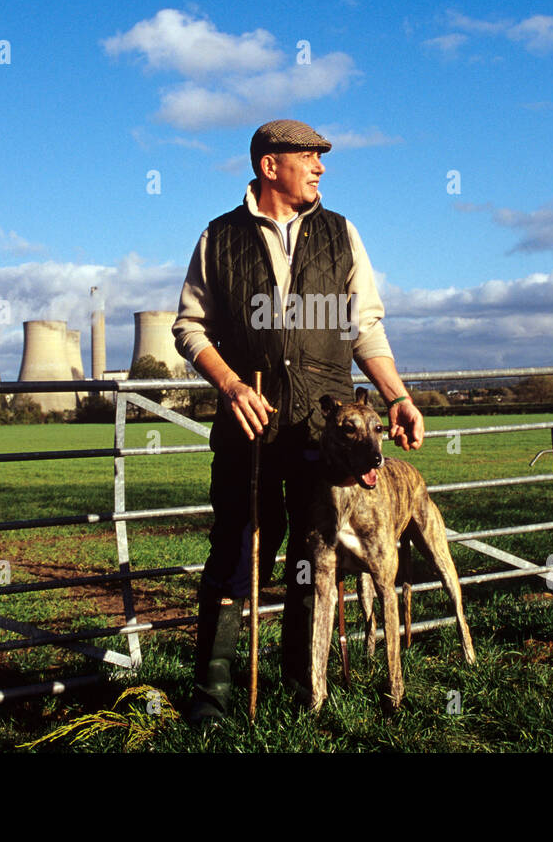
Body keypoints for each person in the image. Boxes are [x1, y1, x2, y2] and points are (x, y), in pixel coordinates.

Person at [172, 118, 425, 725]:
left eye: (320, 158)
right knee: (240, 550)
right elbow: (189, 328)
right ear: (269, 165)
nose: (320, 167)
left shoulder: (341, 234)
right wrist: (230, 383)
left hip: (325, 433)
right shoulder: (219, 236)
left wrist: (396, 395)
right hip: (249, 426)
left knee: (315, 557)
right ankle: (213, 698)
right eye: (309, 157)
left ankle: (299, 686)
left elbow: (365, 326)